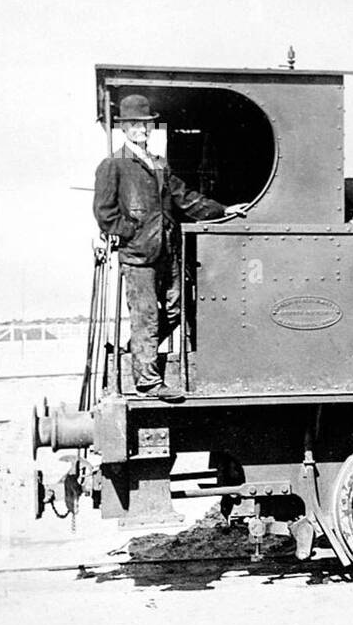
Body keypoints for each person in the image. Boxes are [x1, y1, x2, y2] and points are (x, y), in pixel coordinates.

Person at [94, 94, 248, 400]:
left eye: (146, 124)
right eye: (134, 124)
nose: (141, 129)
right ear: (123, 128)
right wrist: (132, 234)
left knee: (176, 309)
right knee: (147, 315)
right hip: (139, 256)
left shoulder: (159, 164)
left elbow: (184, 197)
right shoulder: (113, 165)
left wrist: (223, 210)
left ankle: (137, 350)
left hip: (168, 251)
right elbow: (104, 212)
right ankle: (148, 382)